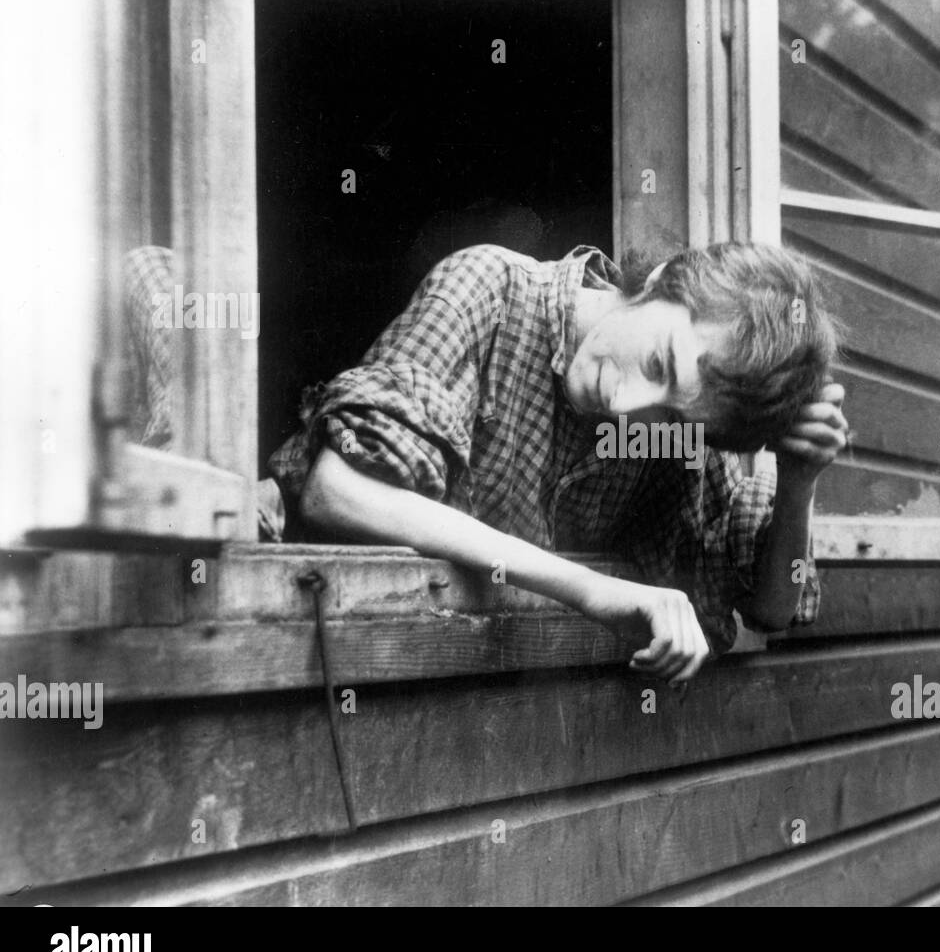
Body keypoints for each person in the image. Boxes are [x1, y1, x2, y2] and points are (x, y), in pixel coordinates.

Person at [265, 241, 847, 684]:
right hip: (300, 652)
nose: (625, 405)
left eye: (671, 420)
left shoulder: (667, 441)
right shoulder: (489, 290)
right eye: (657, 363)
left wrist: (798, 484)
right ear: (662, 281)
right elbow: (336, 490)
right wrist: (588, 589)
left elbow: (771, 608)